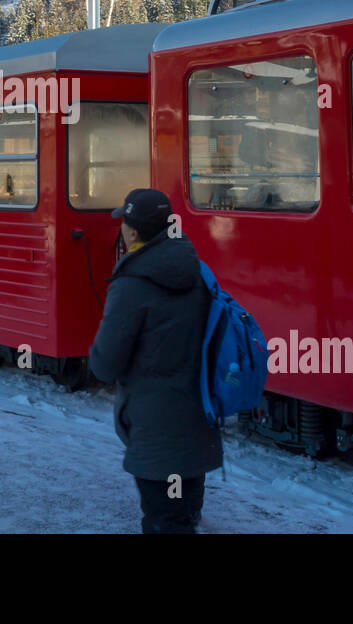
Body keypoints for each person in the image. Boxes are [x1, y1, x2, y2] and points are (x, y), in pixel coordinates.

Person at [89, 188, 223, 534]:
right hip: (196, 422)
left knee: (164, 521)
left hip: (156, 430)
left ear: (132, 232)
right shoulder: (196, 270)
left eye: (124, 223)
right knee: (183, 515)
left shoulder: (132, 284)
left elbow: (105, 363)